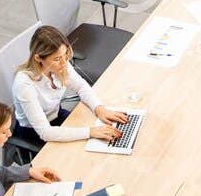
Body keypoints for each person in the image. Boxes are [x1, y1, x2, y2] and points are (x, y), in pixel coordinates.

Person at [11, 25, 127, 161]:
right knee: (81, 156)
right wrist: (90, 132)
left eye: (65, 54)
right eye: (56, 59)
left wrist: (99, 108)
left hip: (57, 117)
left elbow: (81, 86)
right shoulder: (24, 84)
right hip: (34, 133)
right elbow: (45, 132)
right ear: (38, 58)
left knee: (100, 137)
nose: (64, 62)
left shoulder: (61, 63)